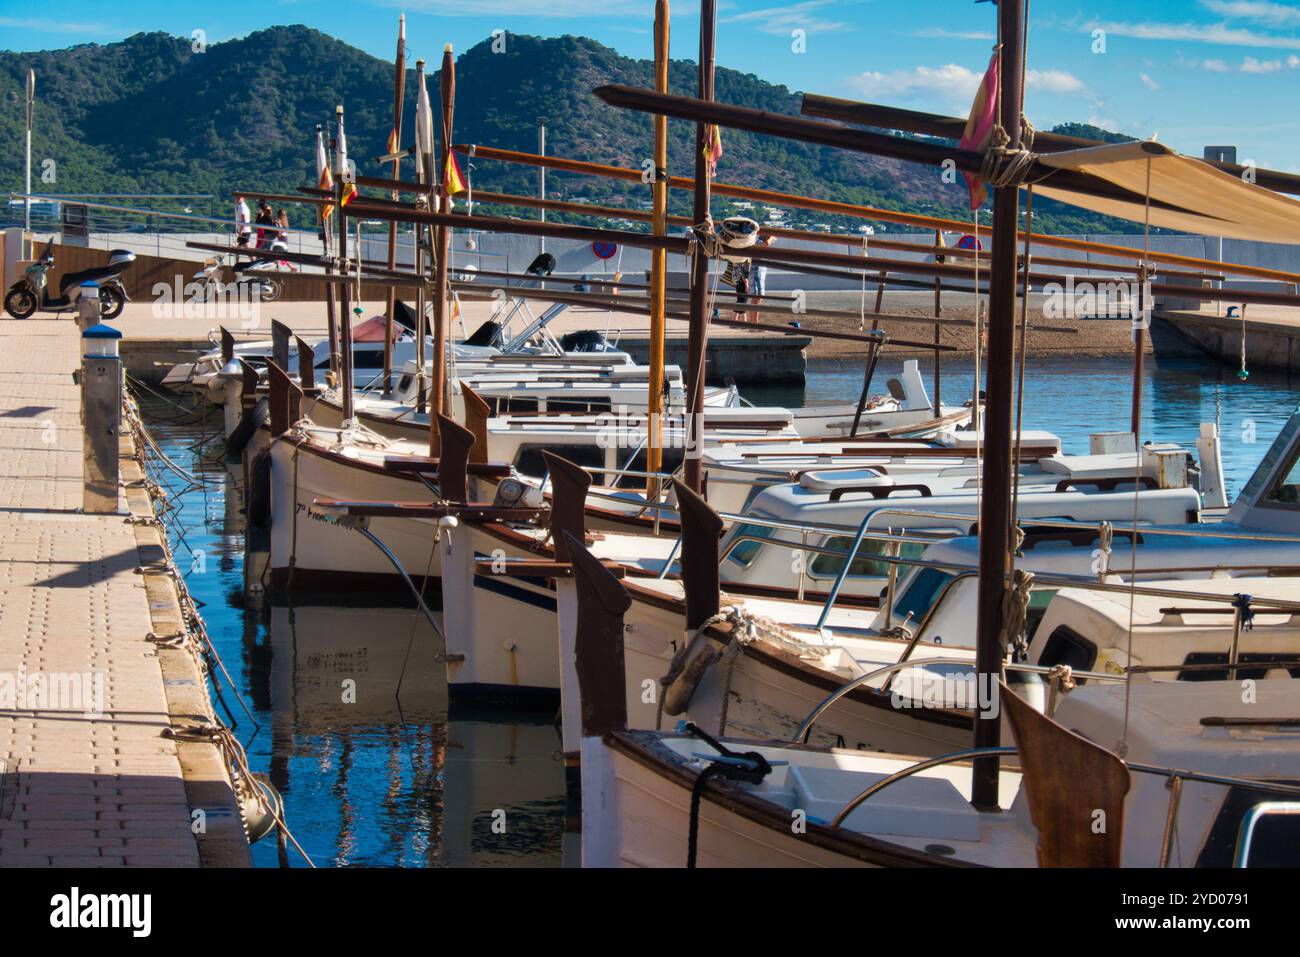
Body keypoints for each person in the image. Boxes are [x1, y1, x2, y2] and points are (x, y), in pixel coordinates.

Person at [748, 236, 773, 323]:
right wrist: (771, 238)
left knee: (757, 298)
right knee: (756, 298)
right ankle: (754, 323)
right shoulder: (757, 240)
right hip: (756, 273)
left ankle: (753, 322)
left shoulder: (758, 240)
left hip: (760, 273)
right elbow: (766, 244)